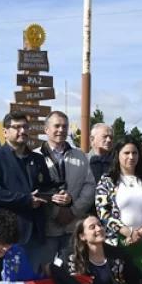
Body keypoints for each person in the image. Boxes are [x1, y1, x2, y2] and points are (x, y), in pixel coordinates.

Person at [0, 111, 54, 264]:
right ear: (5, 132)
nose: (23, 131)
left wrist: (60, 196)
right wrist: (26, 199)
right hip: (7, 232)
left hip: (35, 232)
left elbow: (46, 187)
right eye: (17, 127)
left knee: (32, 276)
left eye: (25, 127)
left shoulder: (38, 159)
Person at [95, 137, 142, 284]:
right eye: (126, 153)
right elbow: (103, 211)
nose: (131, 157)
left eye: (135, 153)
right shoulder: (107, 181)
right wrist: (126, 232)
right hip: (117, 240)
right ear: (118, 155)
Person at [36, 112, 95, 264]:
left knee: (72, 270)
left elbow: (89, 186)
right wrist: (56, 212)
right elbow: (34, 189)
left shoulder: (80, 156)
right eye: (56, 126)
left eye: (64, 126)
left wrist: (73, 210)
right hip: (47, 228)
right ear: (46, 129)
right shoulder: (35, 156)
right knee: (45, 271)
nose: (61, 130)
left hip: (73, 228)